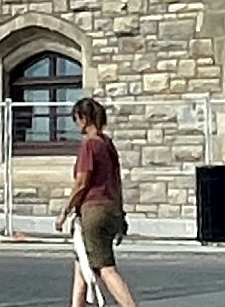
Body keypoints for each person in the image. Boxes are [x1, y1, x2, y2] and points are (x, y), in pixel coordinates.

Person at [56, 94, 135, 307]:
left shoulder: (89, 145)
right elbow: (116, 179)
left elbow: (82, 181)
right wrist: (121, 213)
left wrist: (65, 210)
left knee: (104, 266)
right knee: (81, 263)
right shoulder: (107, 144)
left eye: (76, 119)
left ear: (83, 118)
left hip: (93, 210)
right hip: (111, 207)